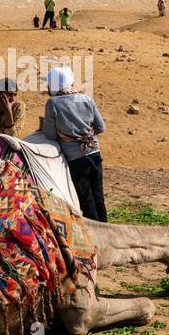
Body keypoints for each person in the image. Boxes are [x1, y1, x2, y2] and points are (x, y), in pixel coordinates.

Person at [42, 66, 106, 221]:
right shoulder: (87, 99)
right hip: (94, 152)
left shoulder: (53, 103)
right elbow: (100, 127)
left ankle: (95, 234)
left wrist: (67, 136)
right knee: (98, 196)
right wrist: (85, 136)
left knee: (86, 199)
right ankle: (106, 227)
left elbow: (49, 134)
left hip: (75, 158)